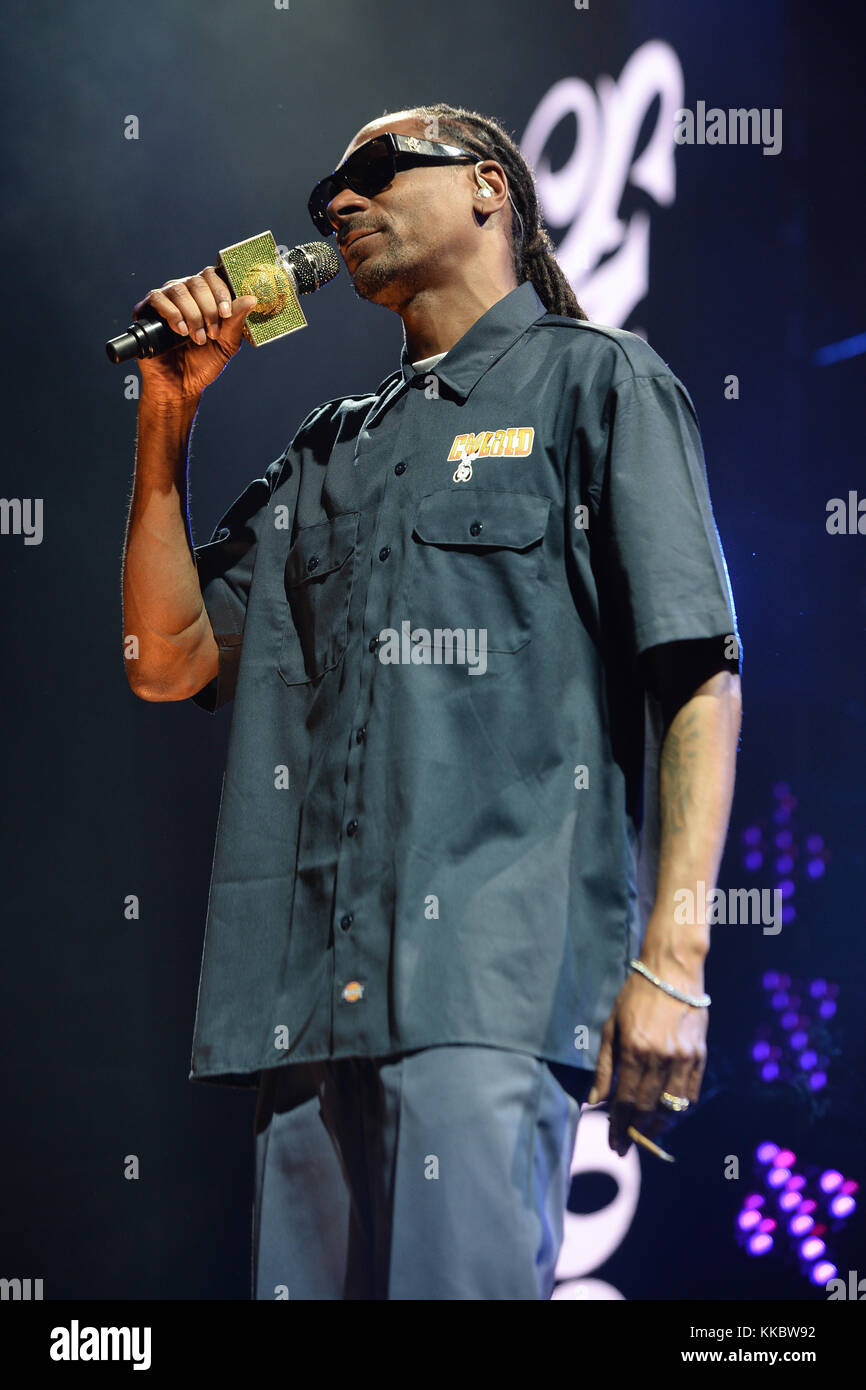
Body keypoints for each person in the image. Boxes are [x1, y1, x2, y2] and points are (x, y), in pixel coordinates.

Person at [121, 102, 743, 1300]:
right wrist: (167, 415)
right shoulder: (325, 450)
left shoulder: (597, 381)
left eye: (369, 171)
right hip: (299, 1008)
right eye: (322, 197)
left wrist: (672, 956)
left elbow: (697, 673)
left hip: (487, 989)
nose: (337, 204)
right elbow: (165, 659)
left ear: (487, 187)